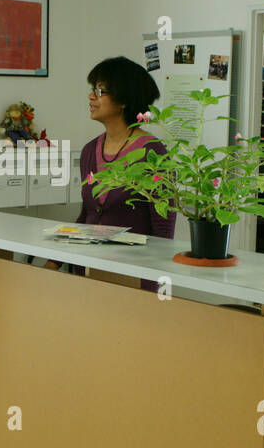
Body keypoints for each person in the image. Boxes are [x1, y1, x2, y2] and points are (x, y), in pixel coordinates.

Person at [48, 56, 176, 284]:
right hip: (88, 272)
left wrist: (156, 281)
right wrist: (54, 260)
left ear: (123, 100)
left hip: (133, 278)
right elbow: (87, 215)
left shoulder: (153, 153)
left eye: (99, 91)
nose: (91, 96)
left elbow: (164, 227)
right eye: (92, 90)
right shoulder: (89, 150)